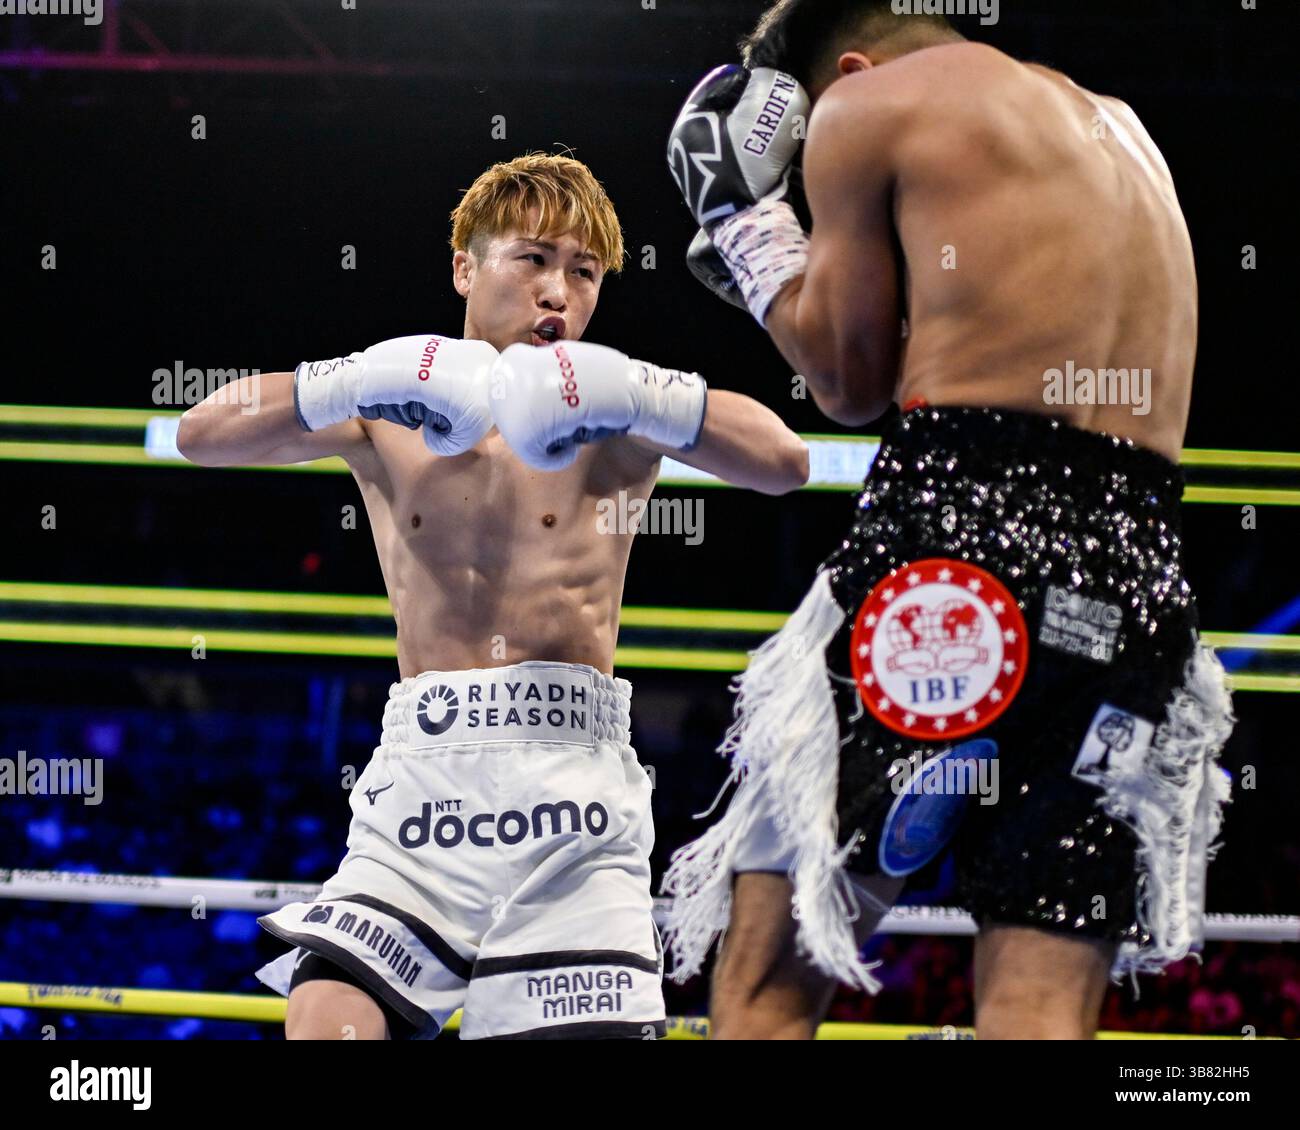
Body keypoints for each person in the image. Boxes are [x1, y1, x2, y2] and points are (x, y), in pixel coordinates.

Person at [660, 1, 1234, 1040]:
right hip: (1140, 580)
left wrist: (748, 230)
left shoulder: (866, 105)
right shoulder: (1124, 131)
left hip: (958, 551)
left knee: (763, 993)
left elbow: (844, 378)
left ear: (845, 66)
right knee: (1039, 1011)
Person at [177, 152, 809, 1040]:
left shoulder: (618, 411)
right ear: (465, 268)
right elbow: (200, 434)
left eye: (584, 273)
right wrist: (352, 376)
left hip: (574, 799)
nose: (560, 292)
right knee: (328, 1018)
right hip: (422, 794)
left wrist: (644, 388)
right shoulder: (385, 408)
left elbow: (786, 462)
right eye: (535, 259)